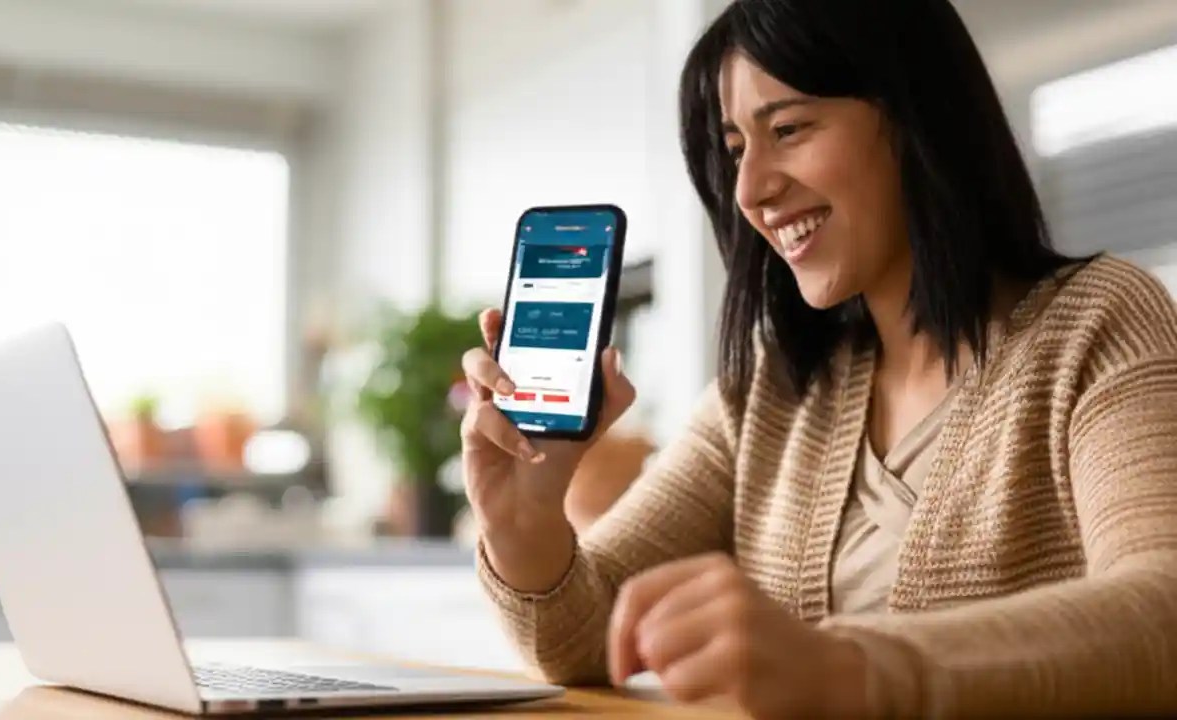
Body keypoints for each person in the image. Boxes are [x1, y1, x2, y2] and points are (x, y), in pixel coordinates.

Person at [459, 0, 1177, 717]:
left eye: (789, 130)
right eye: (735, 149)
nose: (750, 190)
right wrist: (525, 523)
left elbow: (1163, 609)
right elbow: (587, 637)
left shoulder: (1100, 323)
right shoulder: (770, 389)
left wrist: (842, 668)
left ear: (915, 115)